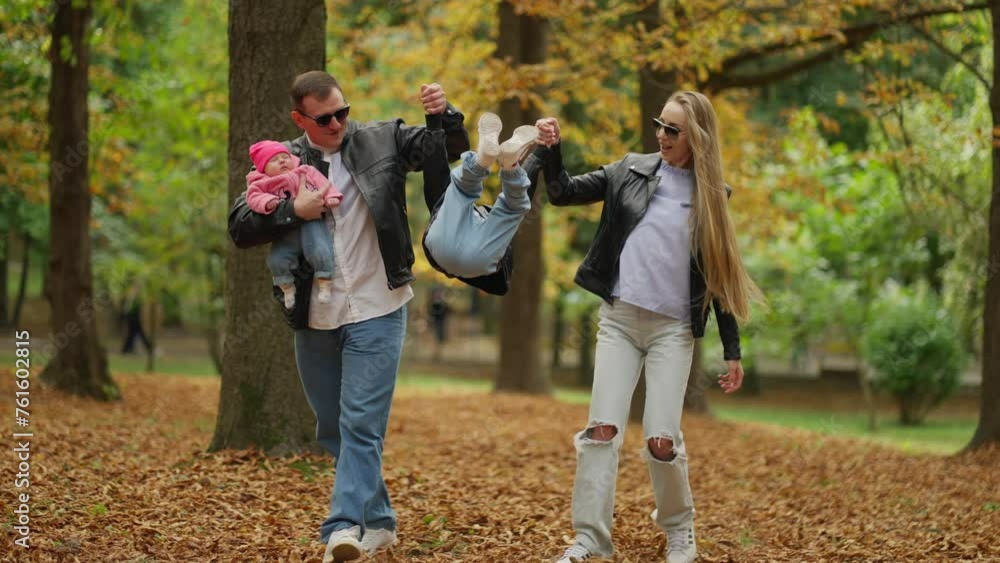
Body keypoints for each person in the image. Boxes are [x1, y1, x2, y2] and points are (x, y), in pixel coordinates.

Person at [227, 70, 469, 563]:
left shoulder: (383, 138)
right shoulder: (285, 160)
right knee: (332, 428)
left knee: (361, 423)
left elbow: (449, 147)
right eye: (324, 117)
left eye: (342, 111)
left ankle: (342, 527)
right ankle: (379, 521)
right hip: (315, 313)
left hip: (379, 304)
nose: (337, 122)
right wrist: (295, 209)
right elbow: (240, 225)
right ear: (301, 119)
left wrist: (442, 114)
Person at [529, 92, 764, 563]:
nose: (661, 134)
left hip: (671, 333)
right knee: (600, 431)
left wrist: (732, 350)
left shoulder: (712, 197)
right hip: (619, 322)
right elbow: (562, 192)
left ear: (696, 137)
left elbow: (720, 279)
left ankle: (679, 530)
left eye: (673, 129)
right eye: (661, 124)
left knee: (661, 441)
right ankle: (590, 539)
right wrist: (551, 150)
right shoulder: (629, 170)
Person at [422, 112, 539, 279]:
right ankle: (484, 162)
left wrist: (542, 150)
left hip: (463, 255)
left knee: (513, 209)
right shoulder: (465, 221)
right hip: (444, 248)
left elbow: (515, 204)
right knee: (463, 189)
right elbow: (435, 170)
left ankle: (506, 164)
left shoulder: (479, 225)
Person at [244, 140, 343, 308]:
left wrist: (330, 196)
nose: (282, 161)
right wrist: (267, 202)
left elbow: (323, 183)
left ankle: (325, 283)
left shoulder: (305, 171)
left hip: (311, 222)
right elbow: (253, 198)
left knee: (320, 247)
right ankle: (287, 287)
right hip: (286, 229)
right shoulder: (261, 183)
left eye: (285, 157)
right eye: (275, 160)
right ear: (263, 168)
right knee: (278, 258)